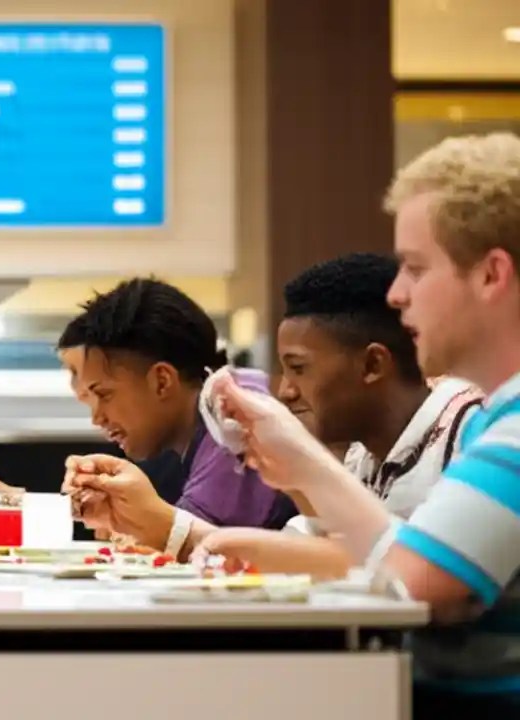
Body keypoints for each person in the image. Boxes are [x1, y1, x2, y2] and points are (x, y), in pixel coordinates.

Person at [190, 132, 520, 716]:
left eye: (416, 269)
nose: (397, 294)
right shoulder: (495, 419)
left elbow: (409, 585)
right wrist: (296, 457)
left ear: (492, 275)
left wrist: (303, 461)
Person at [192, 253, 481, 575]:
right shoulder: (362, 454)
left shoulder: (469, 436)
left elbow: (420, 578)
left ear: (372, 365)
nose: (286, 391)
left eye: (299, 369)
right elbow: (337, 554)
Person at [56, 278, 295, 552]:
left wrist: (141, 524)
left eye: (105, 394)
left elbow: (198, 549)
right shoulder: (194, 430)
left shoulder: (237, 407)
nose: (97, 418)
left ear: (162, 381)